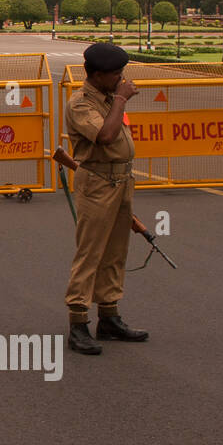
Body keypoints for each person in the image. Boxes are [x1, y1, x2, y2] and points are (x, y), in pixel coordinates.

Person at [63, 43, 149, 354]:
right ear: (98, 75)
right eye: (116, 74)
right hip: (98, 182)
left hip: (122, 180)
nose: (121, 79)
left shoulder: (110, 98)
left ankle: (109, 316)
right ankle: (78, 321)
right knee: (90, 254)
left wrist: (118, 99)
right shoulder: (81, 103)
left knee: (115, 252)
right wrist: (122, 99)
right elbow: (105, 137)